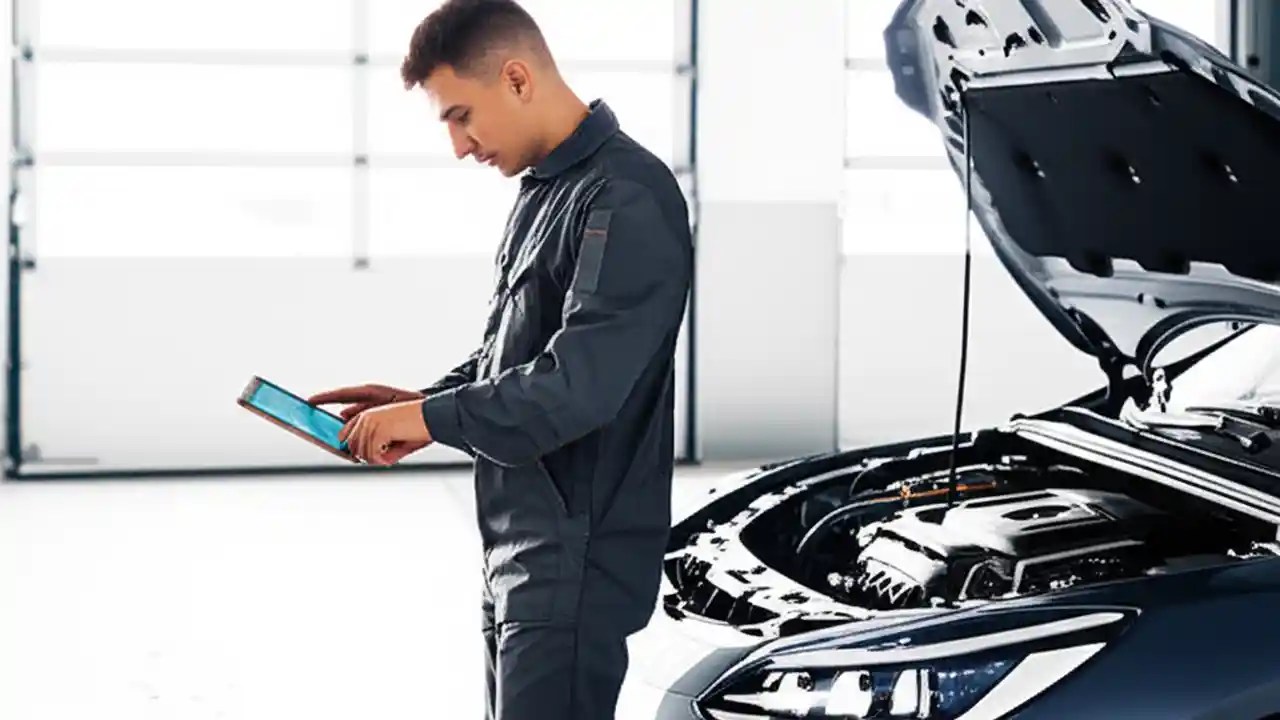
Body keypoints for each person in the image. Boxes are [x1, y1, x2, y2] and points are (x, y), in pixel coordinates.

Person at [306, 1, 693, 718]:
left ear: (517, 79)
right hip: (522, 553)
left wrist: (430, 418)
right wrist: (414, 404)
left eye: (461, 115)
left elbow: (576, 386)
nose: (459, 145)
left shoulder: (627, 196)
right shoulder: (546, 191)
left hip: (576, 564)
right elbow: (511, 353)